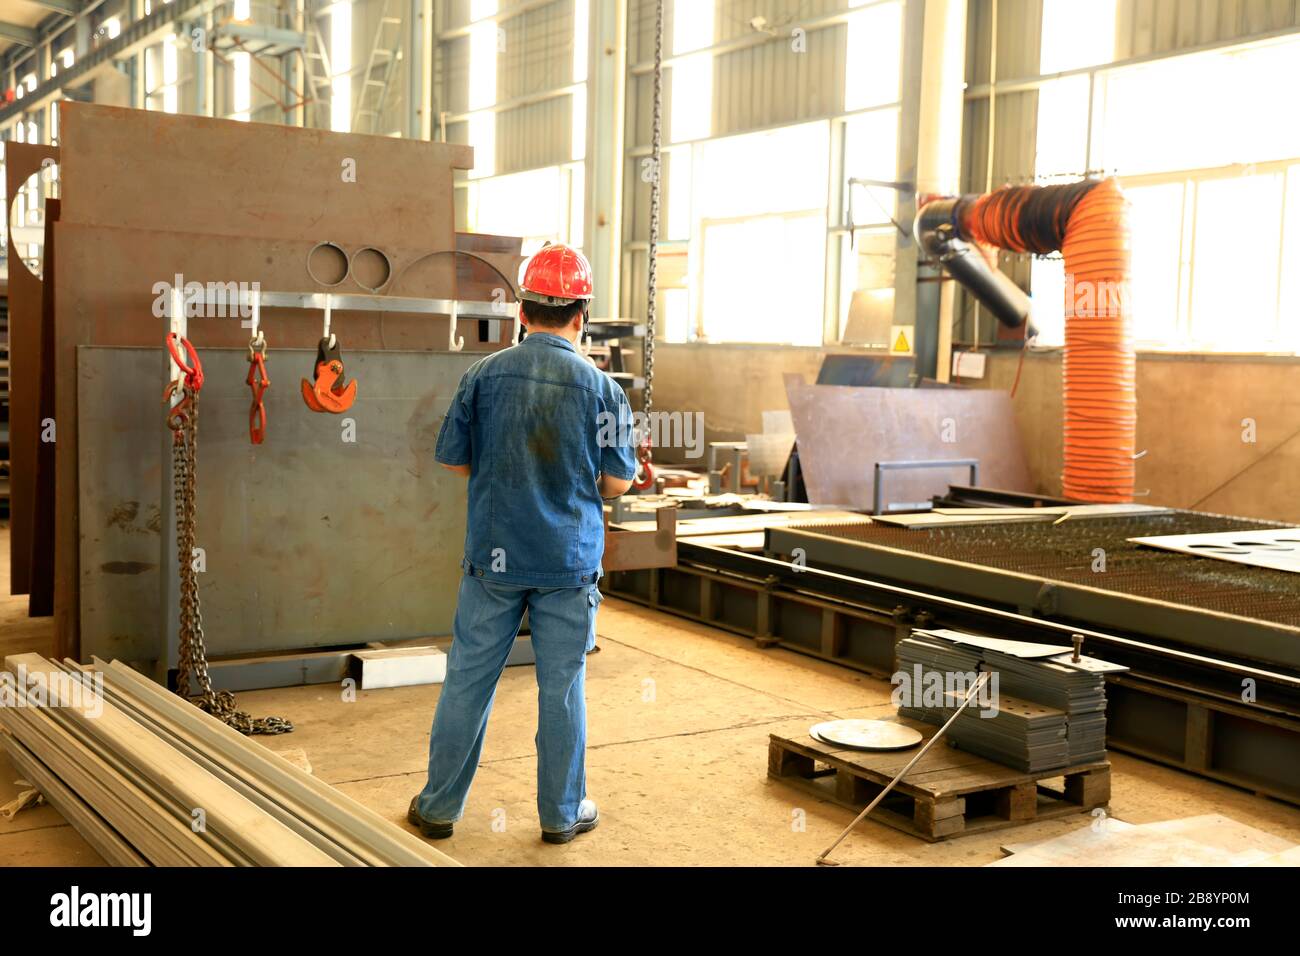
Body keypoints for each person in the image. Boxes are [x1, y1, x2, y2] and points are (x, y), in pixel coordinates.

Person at [409, 243, 637, 845]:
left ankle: (437, 809)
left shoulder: (482, 375)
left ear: (522, 312)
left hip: (494, 558)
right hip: (567, 562)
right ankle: (562, 816)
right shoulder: (603, 389)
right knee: (561, 690)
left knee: (468, 681)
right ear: (581, 315)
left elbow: (456, 463)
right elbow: (615, 482)